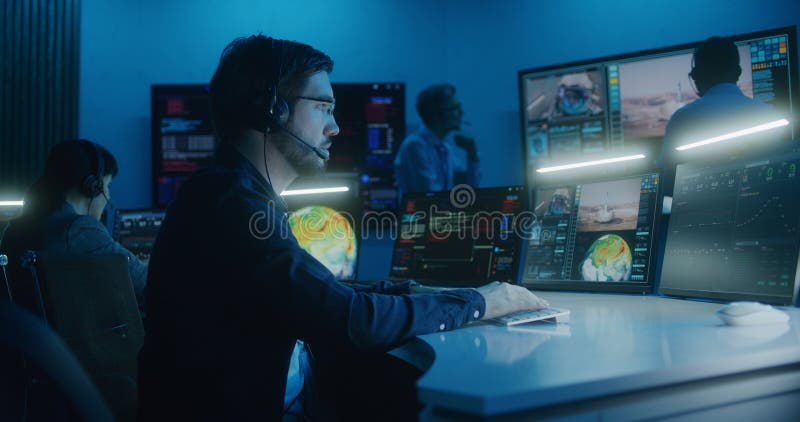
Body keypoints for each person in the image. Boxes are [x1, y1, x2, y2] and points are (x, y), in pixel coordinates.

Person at [137, 35, 547, 421]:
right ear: (272, 110)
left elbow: (317, 293)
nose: (334, 127)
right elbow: (351, 318)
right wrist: (480, 303)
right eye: (323, 107)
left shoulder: (232, 193)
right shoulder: (230, 205)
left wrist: (414, 291)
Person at [1, 139, 147, 304]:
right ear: (93, 187)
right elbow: (148, 285)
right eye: (108, 185)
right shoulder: (79, 230)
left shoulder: (14, 229)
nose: (109, 195)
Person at [660, 36, 786, 198]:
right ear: (738, 73)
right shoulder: (771, 116)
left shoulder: (682, 119)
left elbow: (666, 184)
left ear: (697, 76)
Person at [394, 84, 481, 196]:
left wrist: (472, 152)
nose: (461, 113)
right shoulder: (415, 146)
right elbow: (430, 197)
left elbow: (470, 191)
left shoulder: (444, 148)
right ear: (436, 114)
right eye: (455, 108)